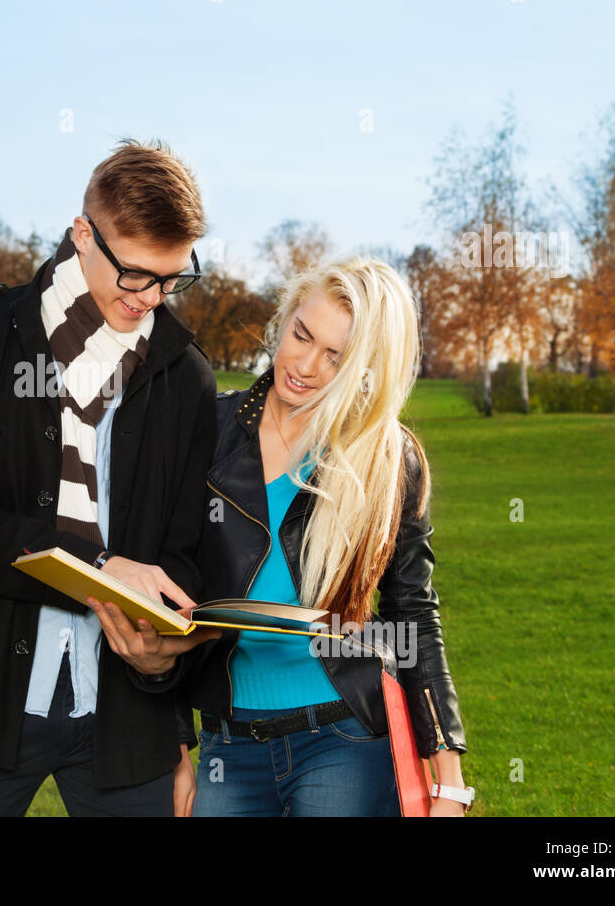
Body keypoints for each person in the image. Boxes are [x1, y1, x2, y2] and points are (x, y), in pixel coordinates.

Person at [0, 139, 219, 817]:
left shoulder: (187, 375)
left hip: (125, 720)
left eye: (174, 279)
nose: (153, 299)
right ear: (82, 234)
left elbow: (183, 552)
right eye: (137, 275)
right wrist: (102, 566)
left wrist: (170, 700)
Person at [183, 255, 472, 816]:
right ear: (285, 317)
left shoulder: (388, 458)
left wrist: (449, 777)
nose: (305, 365)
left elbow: (413, 611)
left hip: (346, 741)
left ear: (367, 368)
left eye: (335, 357)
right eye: (301, 334)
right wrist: (175, 745)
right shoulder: (206, 430)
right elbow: (166, 579)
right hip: (227, 743)